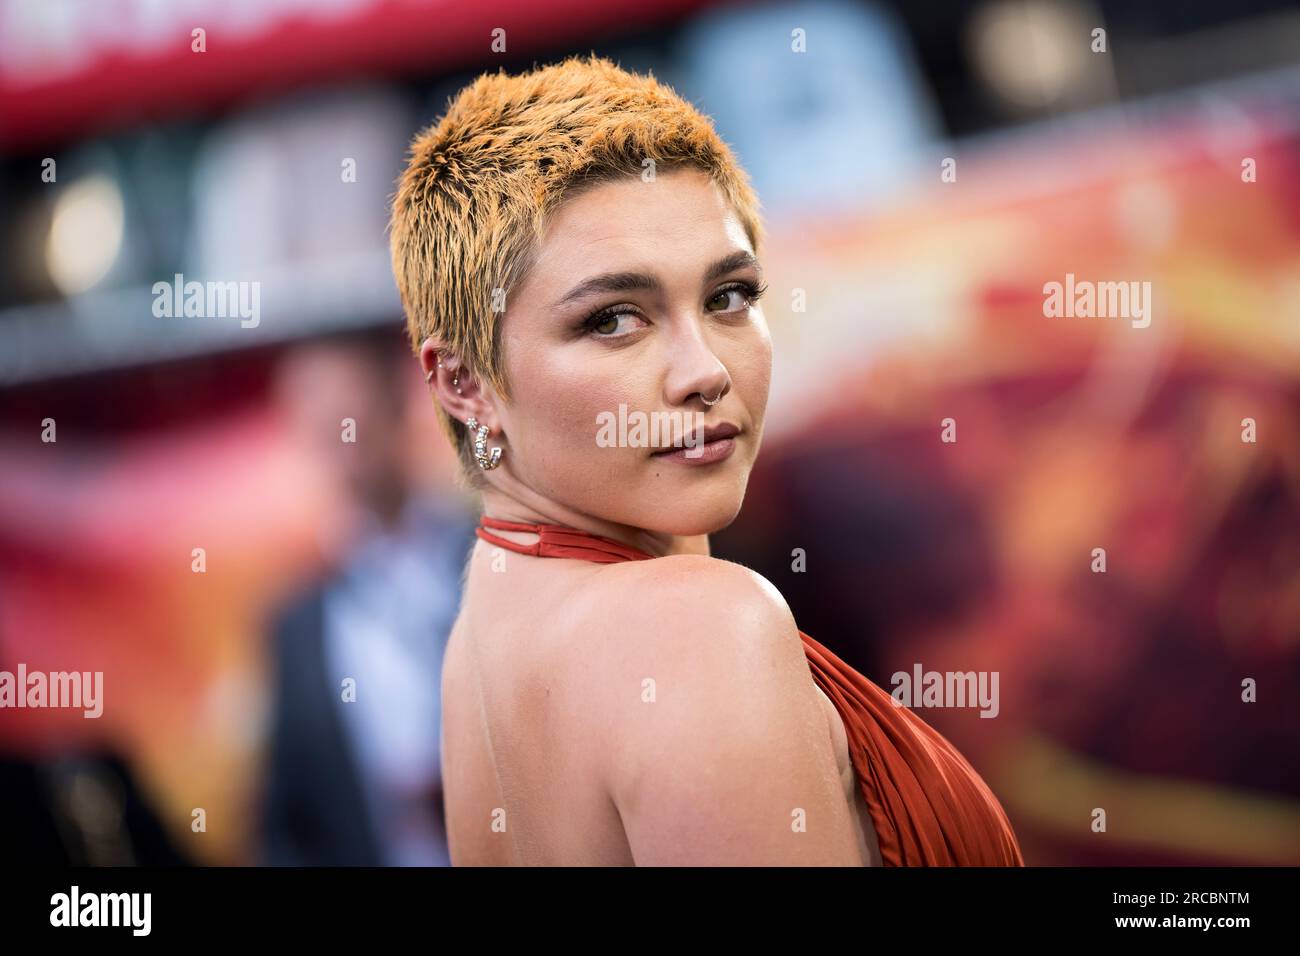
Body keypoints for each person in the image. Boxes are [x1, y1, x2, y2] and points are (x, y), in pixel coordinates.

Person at [388, 53, 1024, 866]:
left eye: (728, 298)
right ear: (465, 383)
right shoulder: (700, 626)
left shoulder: (485, 634)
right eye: (614, 319)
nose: (706, 371)